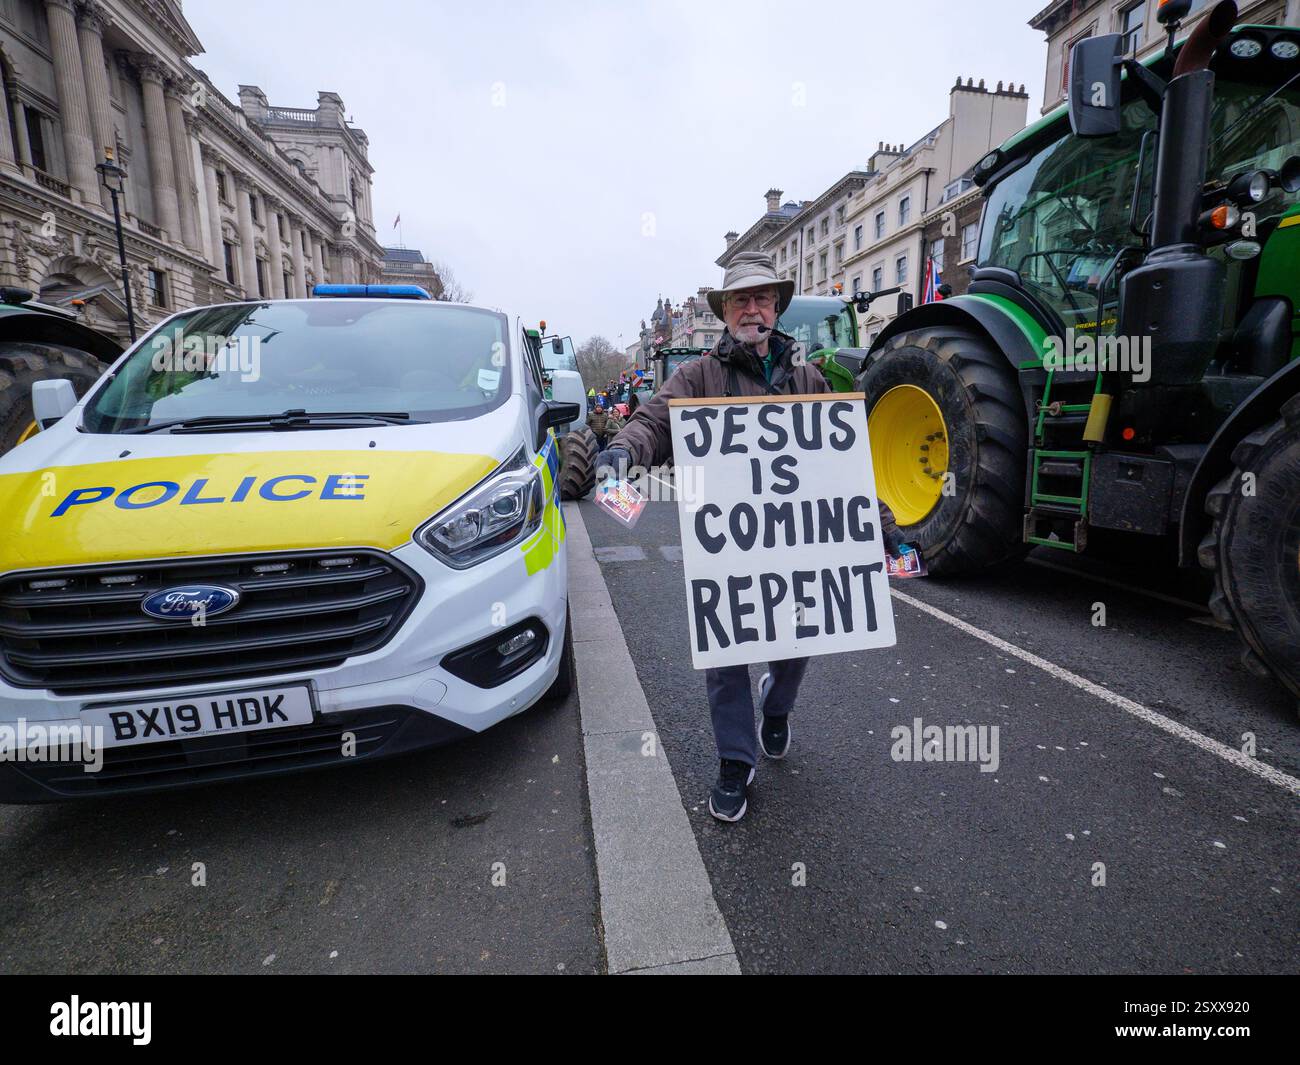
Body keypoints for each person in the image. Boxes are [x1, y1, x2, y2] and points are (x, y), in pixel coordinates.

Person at [601, 251, 898, 823]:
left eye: (763, 298)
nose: (752, 309)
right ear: (726, 310)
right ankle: (735, 760)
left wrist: (881, 524)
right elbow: (653, 421)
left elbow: (844, 467)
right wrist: (623, 450)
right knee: (726, 655)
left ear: (777, 307)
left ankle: (777, 706)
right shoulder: (699, 375)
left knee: (799, 639)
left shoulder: (807, 377)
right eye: (741, 299)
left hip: (799, 544)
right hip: (728, 548)